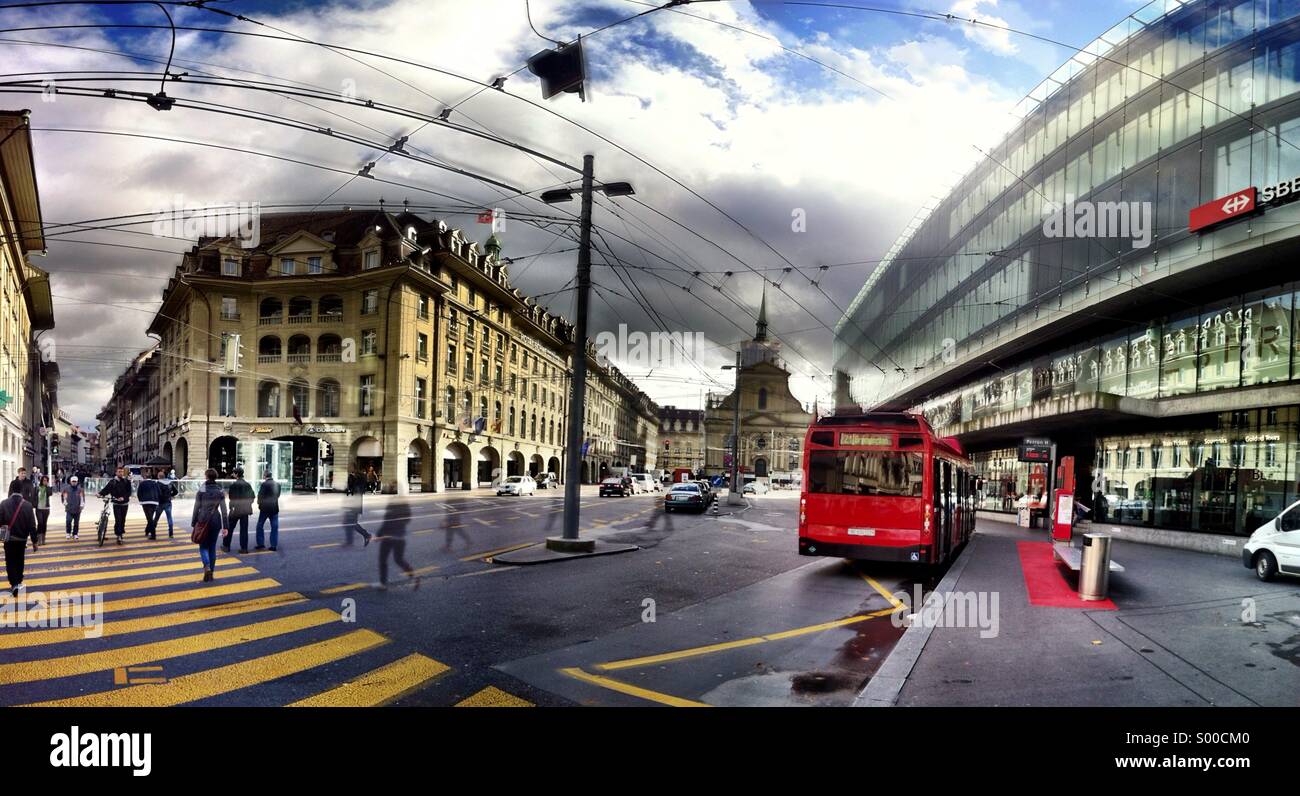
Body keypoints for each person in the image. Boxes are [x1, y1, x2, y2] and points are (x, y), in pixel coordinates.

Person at [1, 481, 37, 595]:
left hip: (9, 539)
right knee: (19, 560)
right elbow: (32, 525)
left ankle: (14, 584)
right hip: (22, 539)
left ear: (11, 490)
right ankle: (19, 581)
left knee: (10, 561)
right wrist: (35, 541)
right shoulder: (27, 505)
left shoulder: (3, 504)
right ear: (21, 490)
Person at [192, 469, 228, 582]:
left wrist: (194, 522)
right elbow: (224, 510)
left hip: (202, 519)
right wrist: (225, 526)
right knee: (212, 547)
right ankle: (211, 572)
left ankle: (206, 566)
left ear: (206, 476)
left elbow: (196, 507)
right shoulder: (220, 490)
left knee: (203, 546)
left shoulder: (202, 489)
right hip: (216, 520)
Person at [375, 498, 418, 590]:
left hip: (389, 537)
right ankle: (413, 576)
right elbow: (407, 520)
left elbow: (386, 522)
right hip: (399, 537)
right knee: (398, 560)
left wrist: (379, 535)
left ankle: (383, 584)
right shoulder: (404, 505)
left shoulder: (393, 504)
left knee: (383, 560)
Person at [98, 467, 132, 545]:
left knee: (123, 519)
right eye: (119, 472)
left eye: (122, 472)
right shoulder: (112, 482)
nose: (121, 473)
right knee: (118, 519)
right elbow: (106, 490)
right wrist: (100, 494)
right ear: (116, 472)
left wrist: (123, 497)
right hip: (116, 504)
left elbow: (129, 492)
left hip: (125, 504)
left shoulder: (126, 481)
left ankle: (121, 533)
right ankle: (118, 535)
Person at [224, 467, 254, 554]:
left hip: (235, 510)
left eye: (234, 473)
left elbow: (231, 498)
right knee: (244, 529)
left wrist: (232, 507)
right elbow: (252, 497)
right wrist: (248, 504)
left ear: (237, 474)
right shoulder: (247, 485)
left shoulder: (234, 485)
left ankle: (226, 546)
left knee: (229, 528)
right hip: (245, 510)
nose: (233, 474)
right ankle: (244, 548)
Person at [255, 471, 280, 551]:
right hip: (274, 508)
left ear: (265, 475)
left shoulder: (264, 484)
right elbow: (278, 495)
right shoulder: (277, 484)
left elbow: (260, 496)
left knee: (260, 526)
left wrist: (259, 504)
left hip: (265, 509)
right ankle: (273, 545)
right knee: (274, 527)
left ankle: (261, 544)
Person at [137, 467, 162, 541]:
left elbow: (139, 493)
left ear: (145, 477)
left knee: (149, 518)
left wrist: (141, 501)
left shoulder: (142, 483)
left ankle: (153, 534)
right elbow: (159, 493)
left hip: (145, 502)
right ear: (151, 477)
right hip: (154, 502)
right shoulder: (155, 483)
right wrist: (157, 500)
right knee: (150, 518)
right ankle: (147, 530)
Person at [60, 475, 84, 539]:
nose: (74, 482)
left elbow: (82, 498)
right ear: (70, 482)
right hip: (69, 509)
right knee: (68, 521)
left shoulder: (80, 490)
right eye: (73, 481)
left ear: (77, 482)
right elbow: (63, 497)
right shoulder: (66, 489)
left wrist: (82, 505)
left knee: (76, 522)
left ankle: (75, 533)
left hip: (77, 509)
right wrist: (64, 503)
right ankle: (68, 533)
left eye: (75, 481)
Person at [158, 468, 177, 539]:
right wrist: (171, 496)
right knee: (169, 518)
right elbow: (176, 492)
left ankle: (152, 533)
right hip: (168, 502)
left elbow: (157, 493)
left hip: (160, 503)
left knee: (156, 518)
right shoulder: (170, 482)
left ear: (159, 477)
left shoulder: (158, 483)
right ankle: (171, 533)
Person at [33, 474, 51, 545]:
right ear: (41, 481)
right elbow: (34, 497)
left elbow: (50, 493)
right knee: (40, 523)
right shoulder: (37, 488)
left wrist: (47, 486)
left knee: (44, 524)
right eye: (44, 480)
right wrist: (34, 505)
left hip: (46, 509)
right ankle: (38, 539)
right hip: (39, 508)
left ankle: (43, 539)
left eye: (46, 481)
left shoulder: (48, 488)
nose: (45, 482)